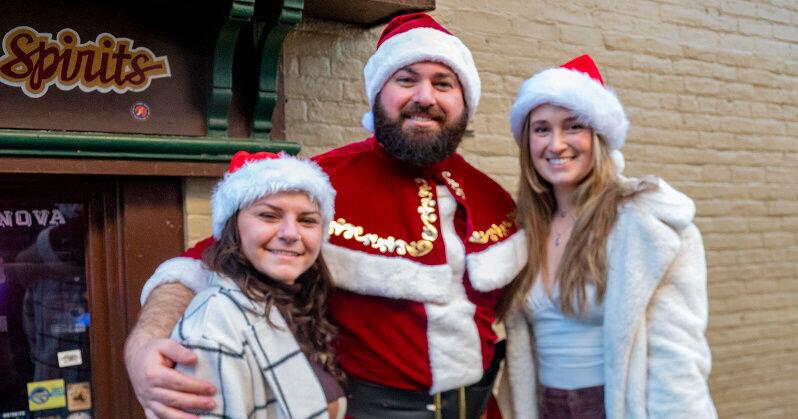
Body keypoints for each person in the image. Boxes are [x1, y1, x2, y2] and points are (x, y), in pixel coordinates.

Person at [125, 12, 527, 419]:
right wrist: (145, 341)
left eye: (443, 83)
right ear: (378, 93)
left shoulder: (493, 197)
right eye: (406, 80)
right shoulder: (316, 185)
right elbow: (202, 263)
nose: (425, 96)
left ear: (464, 101)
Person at [496, 54, 717, 418]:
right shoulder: (524, 227)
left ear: (598, 135)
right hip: (544, 407)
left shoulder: (645, 224)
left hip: (616, 407)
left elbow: (676, 358)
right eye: (542, 129)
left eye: (573, 126)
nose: (556, 144)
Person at [167, 151, 345, 418]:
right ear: (233, 227)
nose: (291, 234)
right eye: (269, 216)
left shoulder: (295, 304)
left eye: (307, 220)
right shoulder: (214, 328)